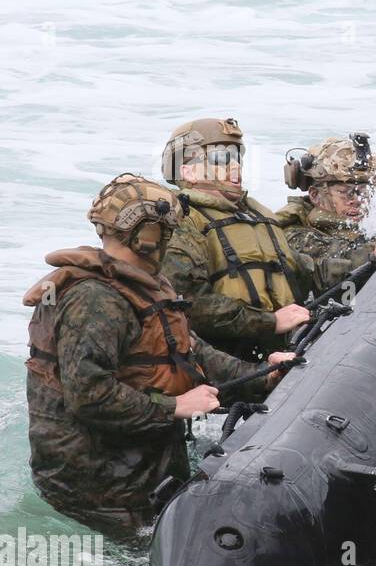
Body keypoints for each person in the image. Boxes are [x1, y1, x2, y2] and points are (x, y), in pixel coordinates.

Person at [24, 175, 295, 536]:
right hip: (101, 492)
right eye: (166, 229)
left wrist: (262, 376)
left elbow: (190, 351)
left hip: (143, 473)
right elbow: (88, 394)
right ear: (147, 234)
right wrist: (175, 407)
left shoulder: (145, 284)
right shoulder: (94, 299)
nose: (171, 237)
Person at [158, 117, 376, 359]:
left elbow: (310, 273)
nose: (235, 167)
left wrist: (371, 257)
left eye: (237, 158)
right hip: (231, 362)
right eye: (221, 159)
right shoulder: (181, 221)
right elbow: (192, 306)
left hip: (281, 351)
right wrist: (271, 322)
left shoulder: (255, 216)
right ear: (187, 170)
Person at [276, 132, 376, 264]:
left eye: (364, 192)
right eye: (346, 192)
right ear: (315, 195)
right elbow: (344, 257)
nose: (357, 200)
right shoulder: (294, 234)